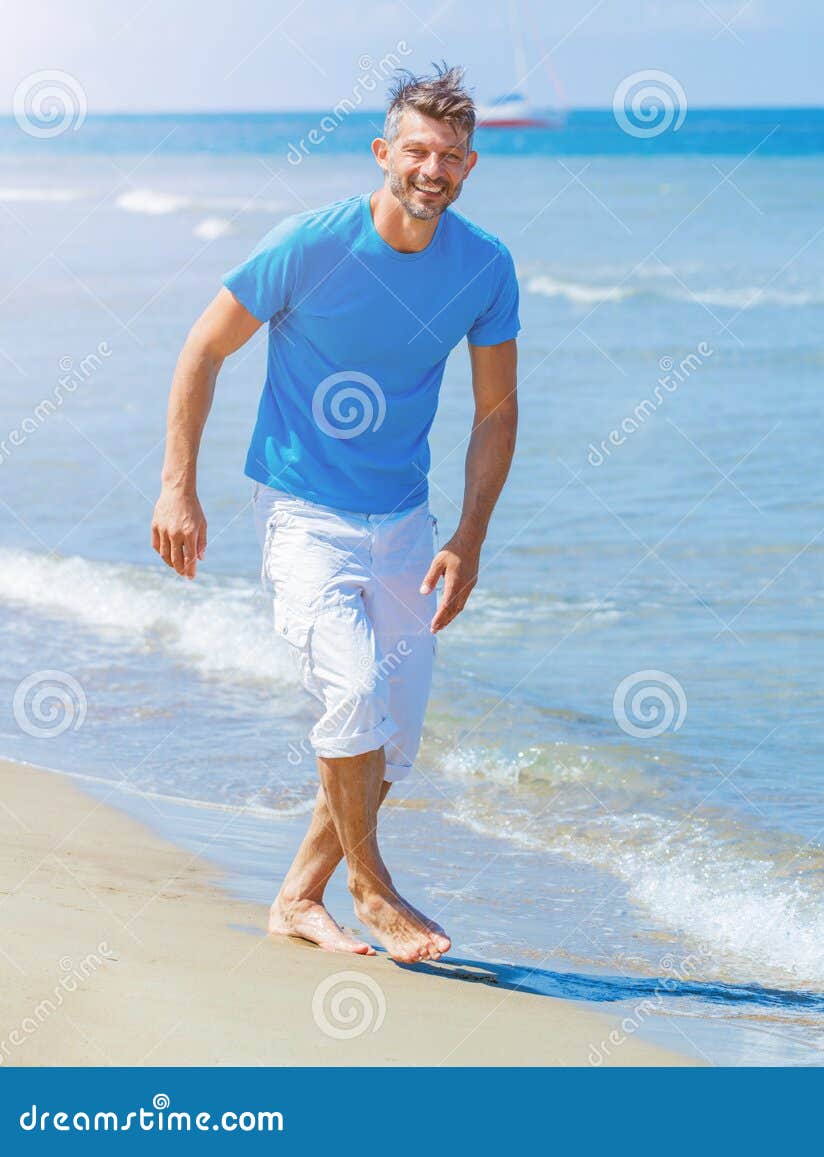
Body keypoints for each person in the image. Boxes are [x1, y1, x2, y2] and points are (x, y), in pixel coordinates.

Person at [149, 65, 519, 963]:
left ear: (469, 166)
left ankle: (295, 898)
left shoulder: (486, 266)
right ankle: (370, 887)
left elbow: (497, 411)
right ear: (383, 153)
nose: (433, 169)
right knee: (352, 695)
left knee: (390, 741)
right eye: (417, 151)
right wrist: (176, 484)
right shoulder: (309, 244)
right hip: (303, 510)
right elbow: (204, 347)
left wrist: (469, 536)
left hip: (404, 523)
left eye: (451, 156)